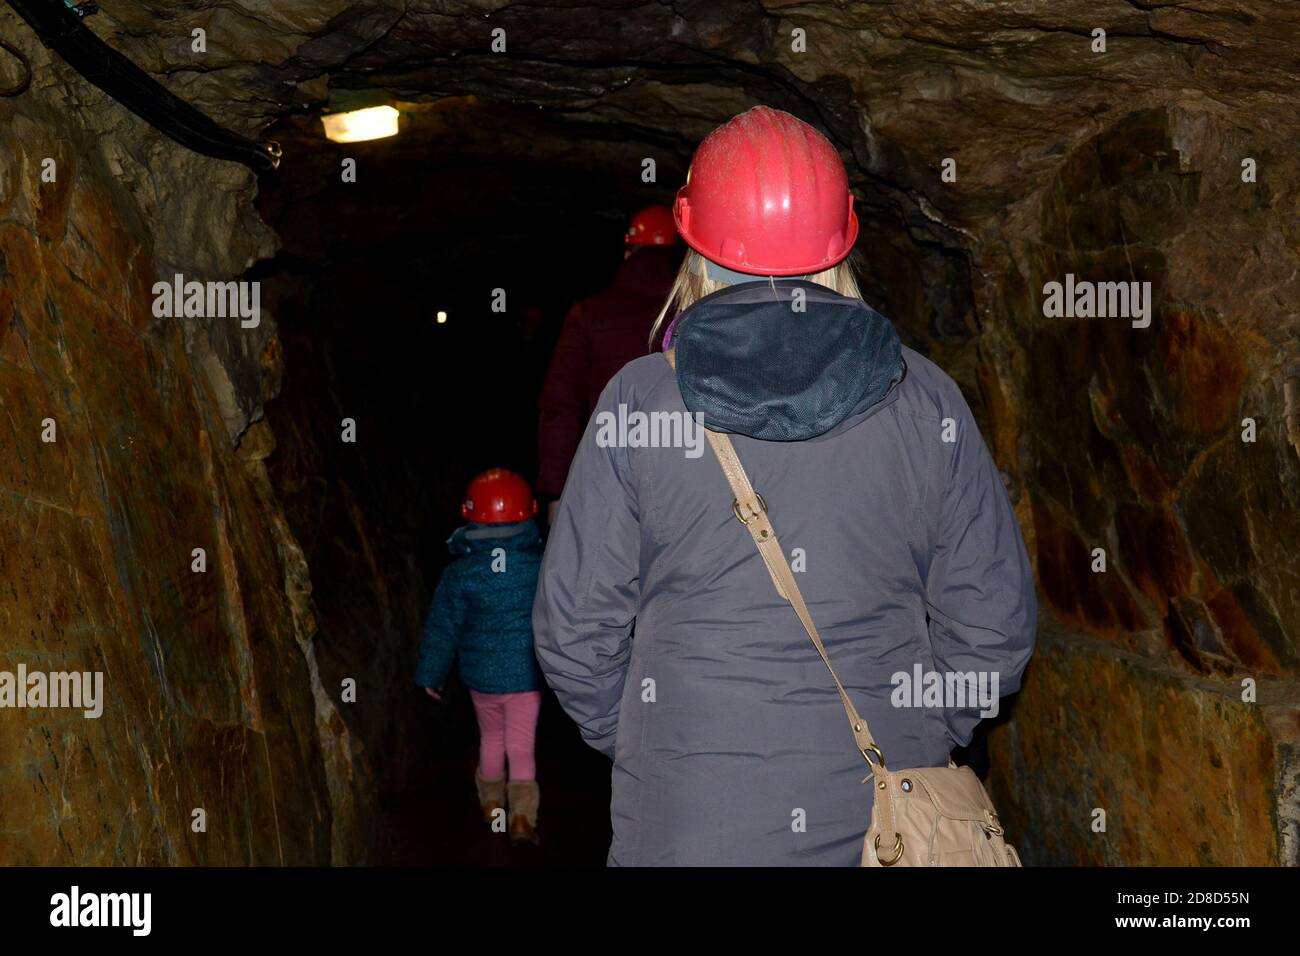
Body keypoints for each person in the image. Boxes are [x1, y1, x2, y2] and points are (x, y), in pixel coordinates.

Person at [532, 106, 1037, 866]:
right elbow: (993, 630)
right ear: (847, 235)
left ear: (692, 236)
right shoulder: (926, 401)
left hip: (690, 827)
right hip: (889, 824)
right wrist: (918, 730)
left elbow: (573, 636)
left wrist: (657, 741)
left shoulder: (640, 404)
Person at [416, 468, 545, 844]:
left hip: (480, 677)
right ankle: (522, 817)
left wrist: (431, 674)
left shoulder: (460, 572)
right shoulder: (540, 565)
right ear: (529, 513)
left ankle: (492, 808)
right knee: (521, 745)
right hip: (527, 676)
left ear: (470, 514)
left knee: (491, 738)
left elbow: (443, 627)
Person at [537, 205, 681, 522]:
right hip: (682, 477)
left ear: (628, 253)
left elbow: (560, 407)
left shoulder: (588, 315)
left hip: (608, 477)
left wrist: (557, 491)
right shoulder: (693, 316)